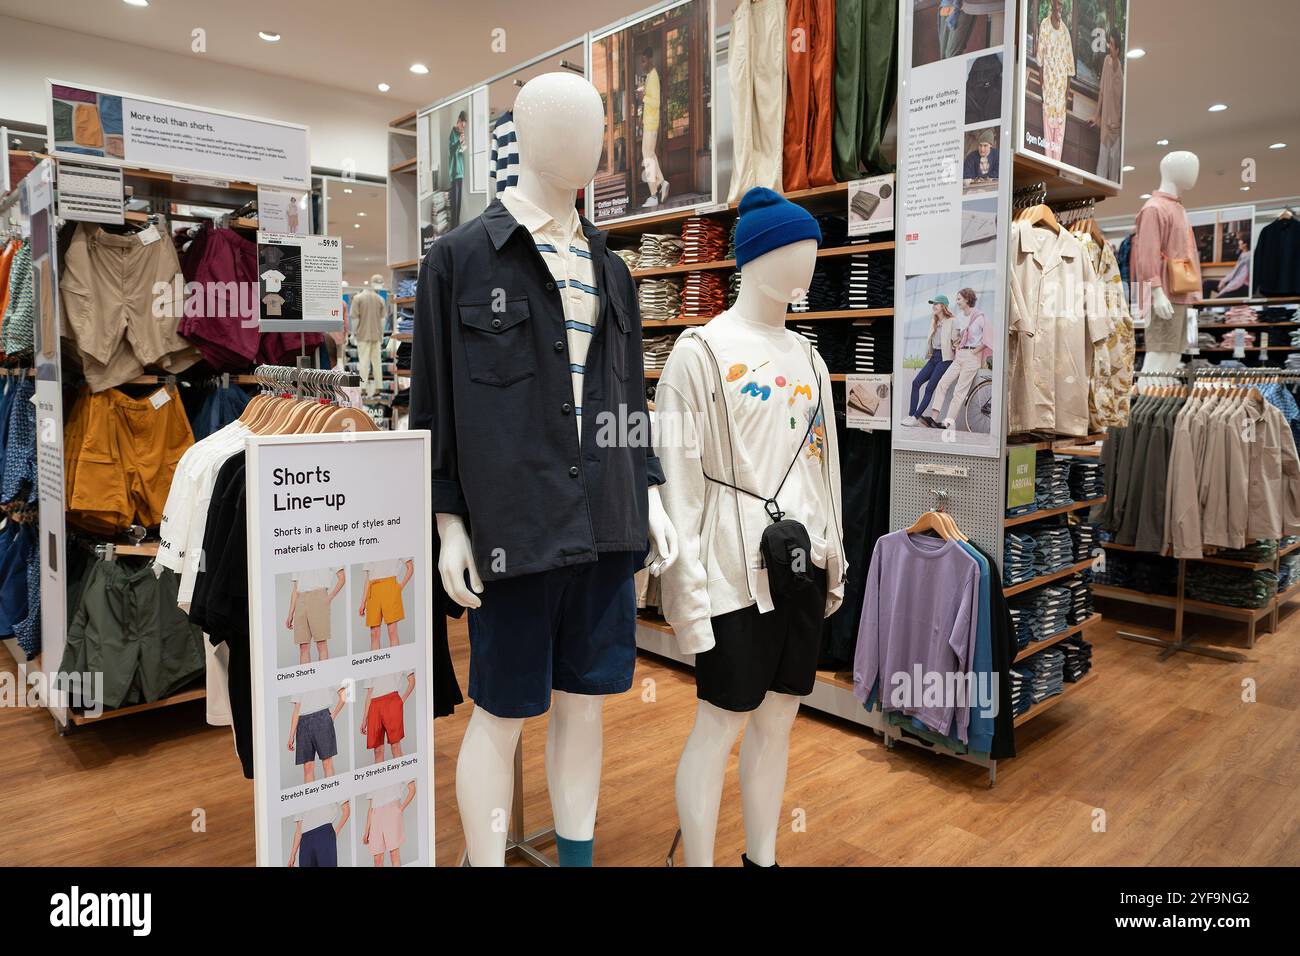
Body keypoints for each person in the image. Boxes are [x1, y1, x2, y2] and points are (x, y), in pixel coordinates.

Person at [924, 288, 988, 429]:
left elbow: (988, 339)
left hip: (972, 357)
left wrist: (975, 351)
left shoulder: (980, 317)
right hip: (960, 356)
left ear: (967, 299)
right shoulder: (960, 317)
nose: (957, 302)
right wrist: (958, 348)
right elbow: (958, 338)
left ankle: (947, 423)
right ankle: (933, 419)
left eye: (959, 299)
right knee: (942, 383)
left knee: (959, 392)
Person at [904, 295, 958, 425]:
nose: (933, 306)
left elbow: (956, 341)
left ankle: (916, 417)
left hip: (945, 359)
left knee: (929, 388)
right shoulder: (933, 321)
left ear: (943, 306)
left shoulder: (952, 321)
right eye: (933, 304)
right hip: (934, 357)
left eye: (936, 304)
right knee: (916, 383)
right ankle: (911, 415)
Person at [1036, 0, 1074, 162]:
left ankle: (1055, 170)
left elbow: (1070, 67)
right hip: (1049, 94)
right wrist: (1042, 86)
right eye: (1058, 4)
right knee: (1048, 140)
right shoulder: (1044, 25)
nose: (1060, 8)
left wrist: (1066, 96)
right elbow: (1040, 60)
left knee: (1058, 141)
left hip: (1060, 98)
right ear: (1052, 3)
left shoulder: (1065, 31)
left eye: (1062, 6)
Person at [1089, 28, 1124, 181]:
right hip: (1105, 125)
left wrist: (1118, 124)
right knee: (1101, 170)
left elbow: (1121, 103)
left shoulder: (1122, 74)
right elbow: (1102, 91)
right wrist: (1096, 116)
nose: (1109, 47)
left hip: (1116, 127)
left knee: (1114, 174)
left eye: (1111, 44)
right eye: (1109, 43)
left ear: (1117, 49)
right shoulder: (1106, 62)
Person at [638, 47, 667, 208]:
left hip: (651, 123)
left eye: (643, 61)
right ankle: (662, 183)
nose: (642, 64)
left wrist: (644, 98)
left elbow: (656, 102)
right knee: (650, 155)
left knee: (647, 157)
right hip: (649, 122)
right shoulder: (650, 76)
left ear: (649, 59)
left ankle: (654, 195)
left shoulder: (653, 76)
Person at [448, 110, 467, 228]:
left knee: (458, 203)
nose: (462, 127)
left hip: (460, 172)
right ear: (458, 121)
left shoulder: (460, 133)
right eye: (462, 125)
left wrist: (463, 145)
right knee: (454, 203)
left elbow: (461, 150)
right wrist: (458, 142)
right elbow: (451, 149)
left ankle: (457, 227)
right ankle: (453, 228)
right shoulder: (453, 133)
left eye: (464, 126)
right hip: (454, 172)